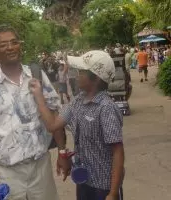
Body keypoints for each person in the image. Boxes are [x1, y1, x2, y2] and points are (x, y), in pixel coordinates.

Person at [0, 25, 70, 200]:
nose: (10, 47)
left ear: (20, 46)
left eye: (14, 42)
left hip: (40, 168)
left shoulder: (37, 76)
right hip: (7, 172)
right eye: (3, 45)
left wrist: (62, 152)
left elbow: (55, 115)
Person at [29, 50, 125, 200]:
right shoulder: (78, 101)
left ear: (96, 78)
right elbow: (53, 125)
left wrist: (112, 193)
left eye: (81, 72)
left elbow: (118, 153)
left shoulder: (106, 108)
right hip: (84, 181)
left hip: (104, 185)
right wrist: (39, 97)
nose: (76, 75)